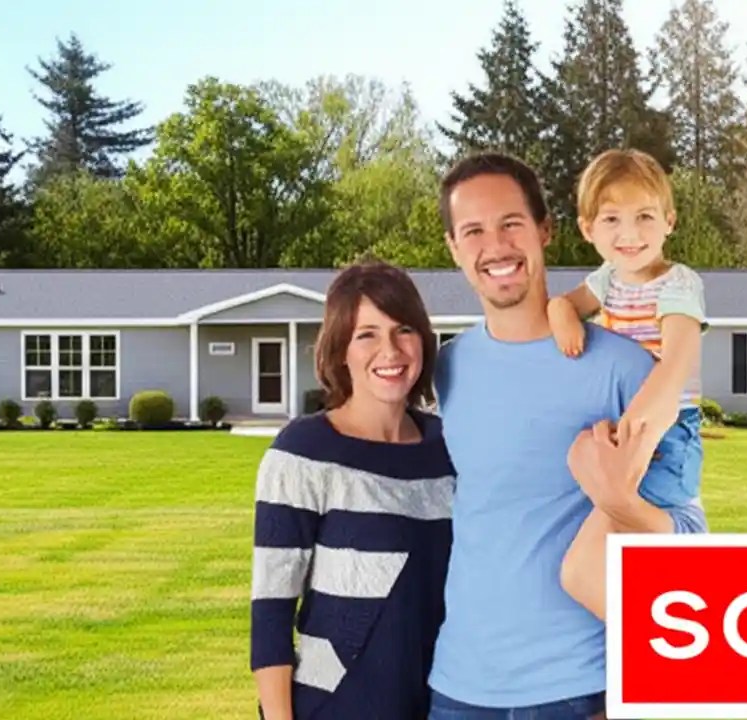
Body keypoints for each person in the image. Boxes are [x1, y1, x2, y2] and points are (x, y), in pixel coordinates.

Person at [426, 152, 707, 720]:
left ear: (545, 231)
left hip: (581, 694)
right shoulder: (448, 370)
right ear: (454, 247)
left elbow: (689, 540)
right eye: (474, 231)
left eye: (511, 224)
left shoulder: (629, 368)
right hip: (458, 691)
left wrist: (619, 502)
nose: (496, 246)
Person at [250, 261, 456, 720]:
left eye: (404, 330)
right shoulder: (303, 453)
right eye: (367, 334)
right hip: (334, 705)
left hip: (444, 702)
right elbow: (270, 615)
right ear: (340, 349)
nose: (390, 350)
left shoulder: (450, 448)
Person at [550, 147, 709, 620]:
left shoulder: (679, 283)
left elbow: (675, 364)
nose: (630, 234)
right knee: (583, 569)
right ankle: (653, 641)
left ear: (669, 221)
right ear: (588, 229)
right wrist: (564, 318)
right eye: (612, 219)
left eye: (644, 216)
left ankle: (682, 532)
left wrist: (633, 436)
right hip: (625, 428)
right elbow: (563, 304)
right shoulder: (607, 281)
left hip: (665, 428)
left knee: (583, 569)